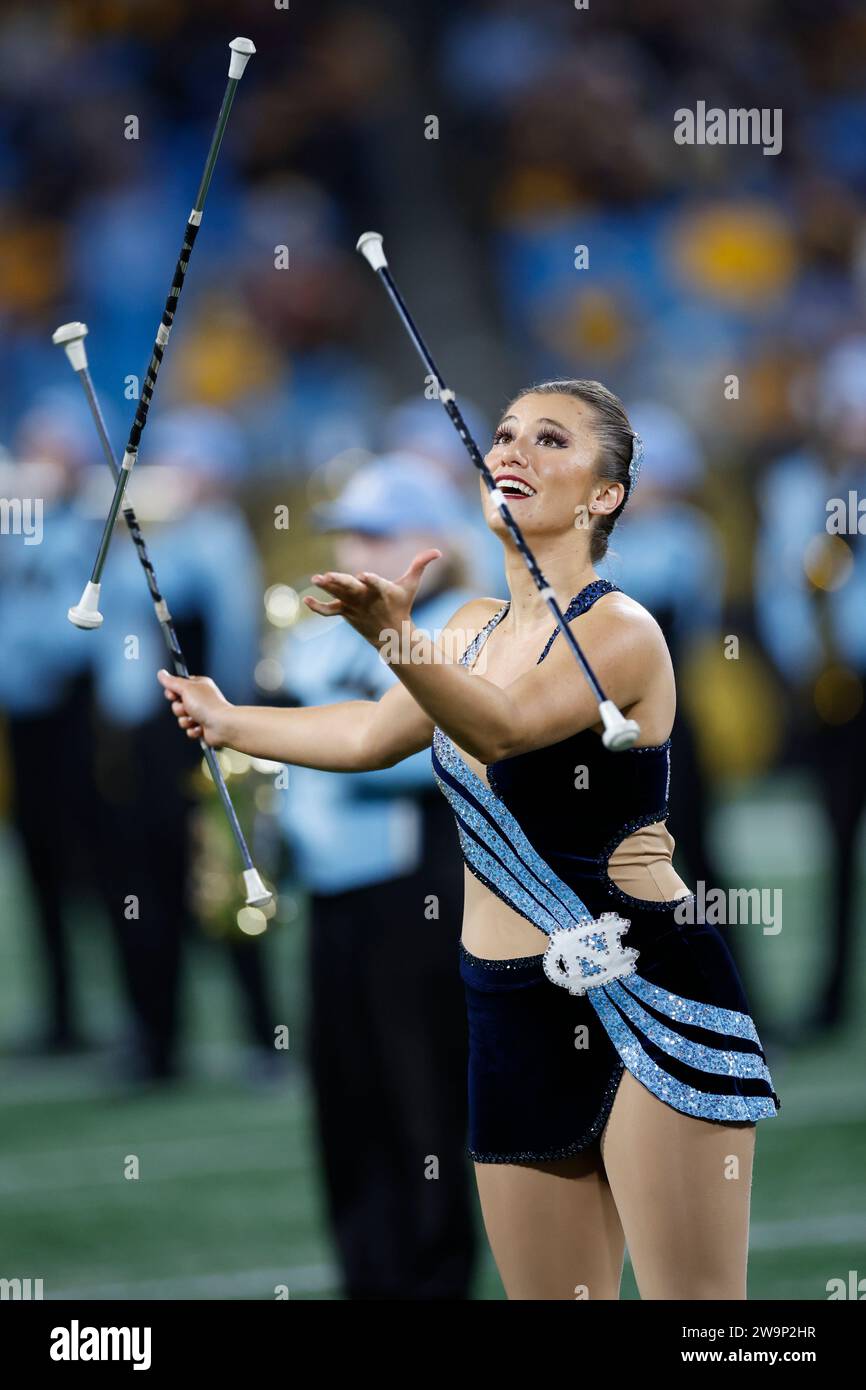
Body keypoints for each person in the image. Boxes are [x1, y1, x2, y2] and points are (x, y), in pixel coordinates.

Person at [158, 379, 781, 1300]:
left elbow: (501, 729)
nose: (514, 452)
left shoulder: (620, 631)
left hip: (645, 995)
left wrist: (393, 638)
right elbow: (371, 735)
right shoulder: (464, 627)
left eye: (551, 440)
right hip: (505, 1010)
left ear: (605, 494)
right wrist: (228, 719)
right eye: (504, 435)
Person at [279, 454, 478, 1299]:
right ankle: (367, 1275)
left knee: (423, 1103)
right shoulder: (314, 641)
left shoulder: (464, 631)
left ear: (431, 542)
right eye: (347, 532)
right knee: (344, 1098)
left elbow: (423, 751)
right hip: (331, 897)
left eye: (375, 531)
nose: (352, 549)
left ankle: (432, 1278)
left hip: (419, 895)